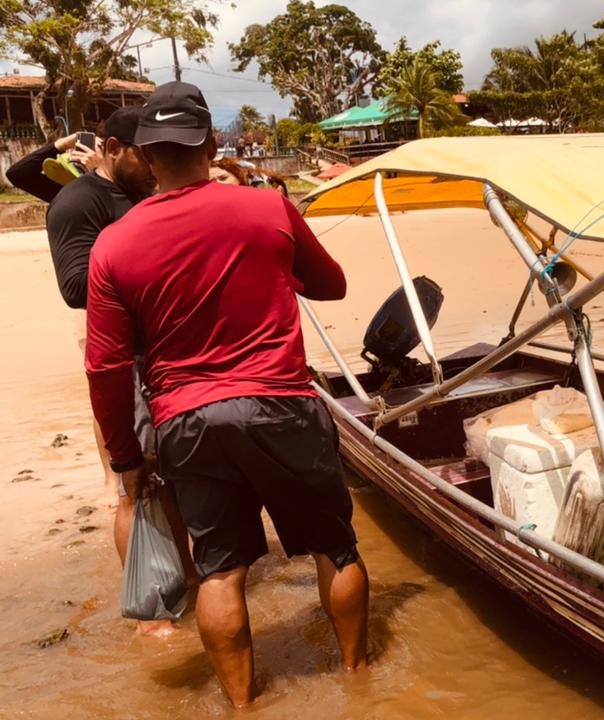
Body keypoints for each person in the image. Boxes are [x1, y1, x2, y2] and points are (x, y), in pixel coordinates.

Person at [85, 81, 368, 708]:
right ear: (211, 144)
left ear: (146, 155)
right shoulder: (267, 208)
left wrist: (126, 460)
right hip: (282, 404)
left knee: (220, 568)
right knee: (334, 546)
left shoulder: (113, 245)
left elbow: (104, 367)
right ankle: (359, 681)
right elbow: (333, 286)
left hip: (186, 420)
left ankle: (241, 704)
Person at [9, 109, 195, 635]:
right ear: (114, 149)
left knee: (175, 479)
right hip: (120, 358)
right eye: (146, 153)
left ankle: (186, 583)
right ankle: (152, 613)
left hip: (168, 354)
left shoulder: (144, 191)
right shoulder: (76, 201)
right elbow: (74, 288)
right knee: (134, 485)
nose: (157, 163)